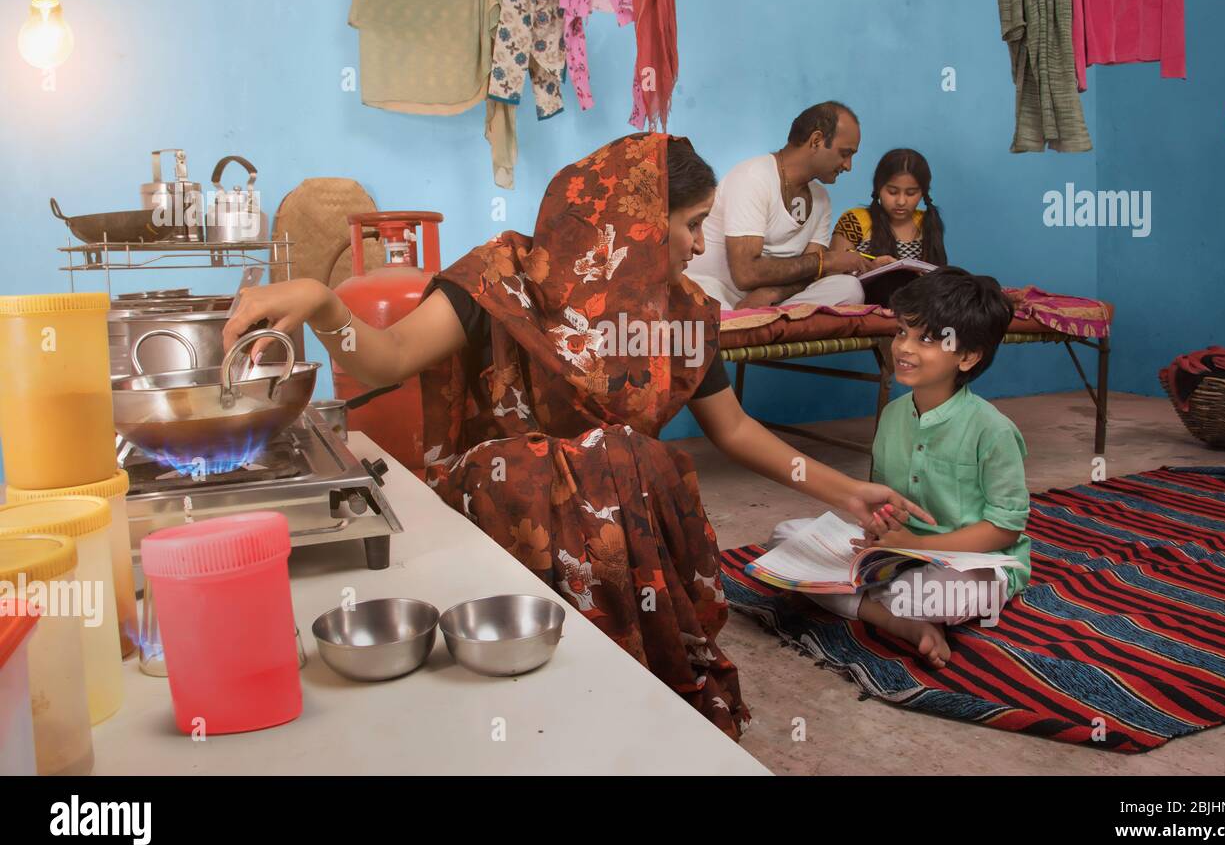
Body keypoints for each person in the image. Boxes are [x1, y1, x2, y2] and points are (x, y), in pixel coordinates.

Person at [224, 133, 934, 739]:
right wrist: (321, 304)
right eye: (690, 223)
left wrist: (847, 493)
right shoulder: (502, 282)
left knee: (632, 461)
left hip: (617, 509)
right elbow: (383, 358)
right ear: (634, 227)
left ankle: (624, 690)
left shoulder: (680, 314)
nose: (698, 244)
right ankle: (557, 675)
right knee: (613, 461)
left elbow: (735, 428)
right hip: (513, 497)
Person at [766, 267, 1031, 669]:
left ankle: (885, 608)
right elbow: (883, 502)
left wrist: (918, 547)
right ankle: (903, 623)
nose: (904, 347)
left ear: (967, 356)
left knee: (938, 595)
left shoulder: (992, 430)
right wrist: (881, 533)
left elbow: (1005, 529)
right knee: (784, 539)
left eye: (926, 339)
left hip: (969, 564)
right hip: (896, 555)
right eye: (901, 332)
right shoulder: (892, 416)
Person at [684, 101, 868, 310]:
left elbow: (810, 274)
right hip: (719, 293)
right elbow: (746, 274)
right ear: (816, 140)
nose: (848, 166)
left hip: (771, 298)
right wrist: (826, 261)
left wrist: (774, 292)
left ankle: (768, 319)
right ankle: (763, 321)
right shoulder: (753, 177)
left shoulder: (821, 198)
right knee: (700, 303)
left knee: (849, 288)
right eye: (845, 154)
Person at [831, 147, 950, 378]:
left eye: (912, 193)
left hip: (917, 294)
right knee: (894, 280)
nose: (901, 201)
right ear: (878, 189)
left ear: (923, 193)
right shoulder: (855, 219)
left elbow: (936, 268)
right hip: (874, 293)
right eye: (892, 191)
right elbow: (832, 271)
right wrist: (870, 266)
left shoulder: (927, 222)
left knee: (964, 283)